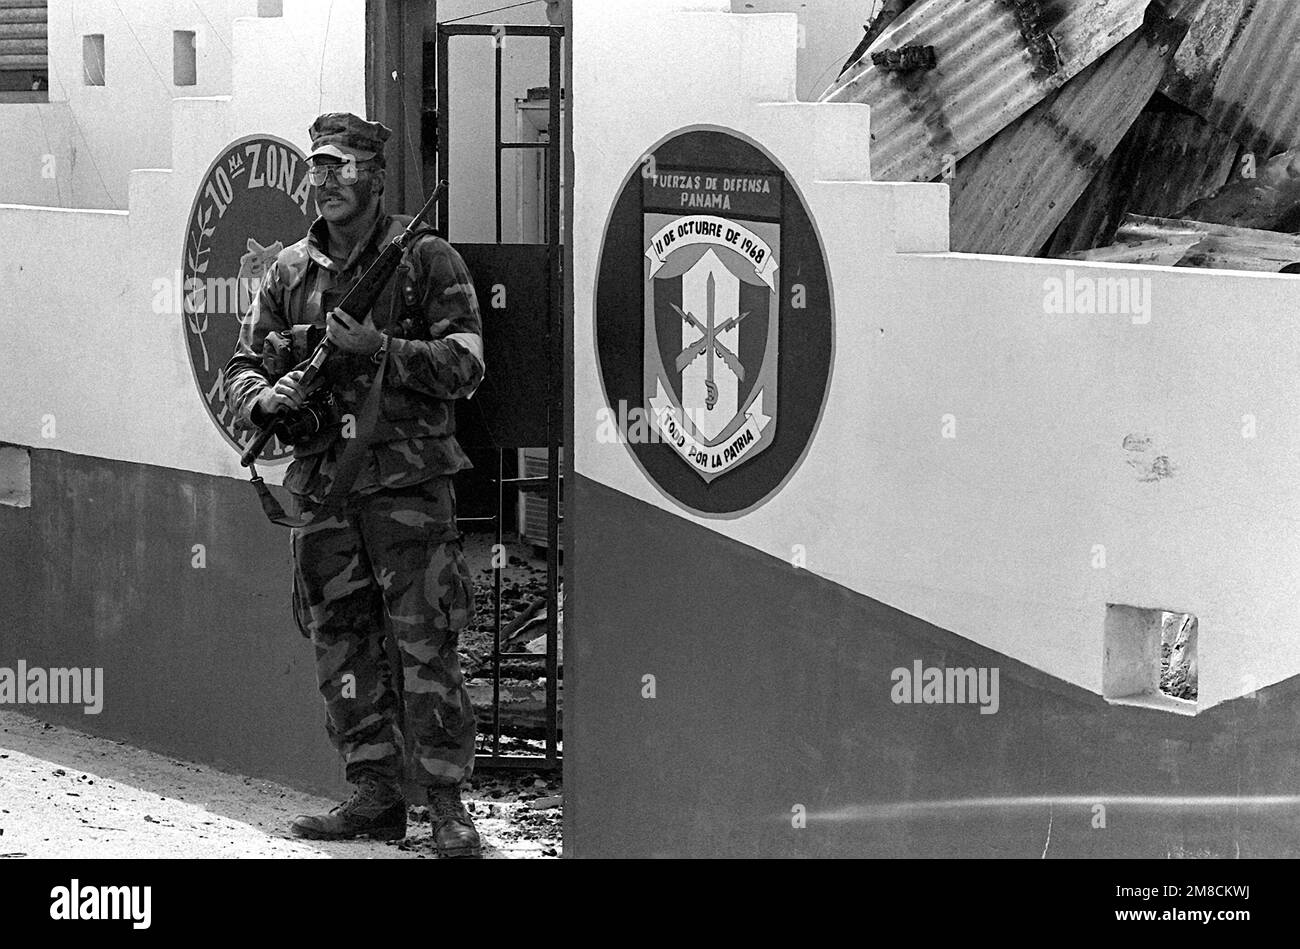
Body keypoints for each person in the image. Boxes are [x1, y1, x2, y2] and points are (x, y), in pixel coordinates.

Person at [223, 112, 486, 857]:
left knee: (426, 641)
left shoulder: (425, 260)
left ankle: (445, 803)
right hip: (325, 488)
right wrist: (263, 400)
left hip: (408, 485)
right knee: (341, 643)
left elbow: (466, 363)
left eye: (341, 166)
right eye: (317, 167)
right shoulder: (286, 272)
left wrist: (383, 351)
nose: (326, 180)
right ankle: (373, 793)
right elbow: (243, 364)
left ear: (374, 175)